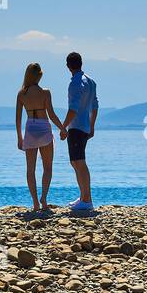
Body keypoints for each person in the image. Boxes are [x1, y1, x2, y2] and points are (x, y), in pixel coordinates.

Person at [15, 62, 65, 212]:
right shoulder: (45, 92)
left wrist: (19, 138)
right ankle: (44, 199)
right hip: (44, 127)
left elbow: (17, 119)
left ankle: (35, 203)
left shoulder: (22, 94)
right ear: (39, 76)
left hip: (30, 128)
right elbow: (52, 114)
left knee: (30, 169)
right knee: (47, 167)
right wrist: (63, 128)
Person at [59, 50, 98, 211]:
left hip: (76, 127)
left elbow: (73, 108)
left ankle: (87, 199)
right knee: (75, 161)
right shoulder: (90, 81)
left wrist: (63, 127)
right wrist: (92, 125)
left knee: (79, 162)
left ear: (68, 66)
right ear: (80, 63)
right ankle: (83, 196)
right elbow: (95, 105)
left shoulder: (75, 83)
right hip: (84, 126)